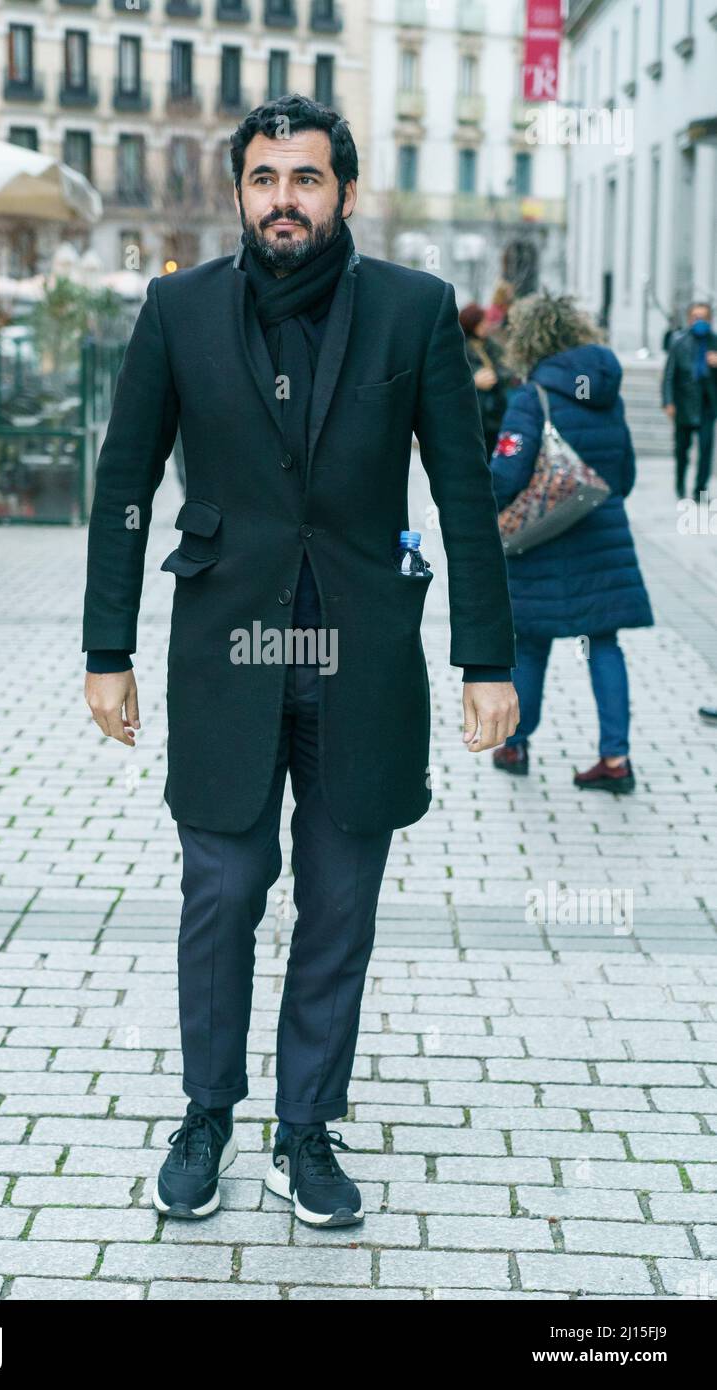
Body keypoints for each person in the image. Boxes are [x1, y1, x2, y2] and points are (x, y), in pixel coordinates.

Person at [81, 95, 518, 1229]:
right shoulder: (176, 310)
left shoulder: (413, 311)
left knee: (339, 906)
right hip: (226, 654)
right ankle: (206, 1114)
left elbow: (464, 495)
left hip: (362, 660)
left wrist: (486, 661)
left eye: (306, 178)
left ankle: (306, 1129)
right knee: (221, 892)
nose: (284, 198)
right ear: (239, 191)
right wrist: (105, 647)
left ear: (344, 192)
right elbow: (125, 483)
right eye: (265, 177)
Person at [489, 290, 654, 793]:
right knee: (603, 643)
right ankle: (616, 758)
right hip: (602, 541)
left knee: (532, 644)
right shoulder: (605, 391)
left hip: (541, 545)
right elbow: (623, 473)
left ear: (530, 340)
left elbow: (507, 476)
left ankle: (515, 745)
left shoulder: (533, 397)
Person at [662, 301, 717, 499]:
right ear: (689, 319)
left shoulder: (715, 341)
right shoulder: (679, 341)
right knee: (681, 451)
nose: (700, 321)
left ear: (710, 319)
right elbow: (669, 374)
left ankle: (700, 490)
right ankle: (680, 485)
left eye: (704, 317)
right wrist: (668, 402)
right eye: (696, 317)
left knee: (705, 451)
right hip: (684, 404)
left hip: (707, 405)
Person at [459, 301, 511, 460]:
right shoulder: (460, 347)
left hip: (495, 411)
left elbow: (507, 368)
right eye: (483, 322)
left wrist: (494, 375)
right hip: (474, 414)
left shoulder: (492, 346)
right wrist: (473, 380)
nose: (487, 325)